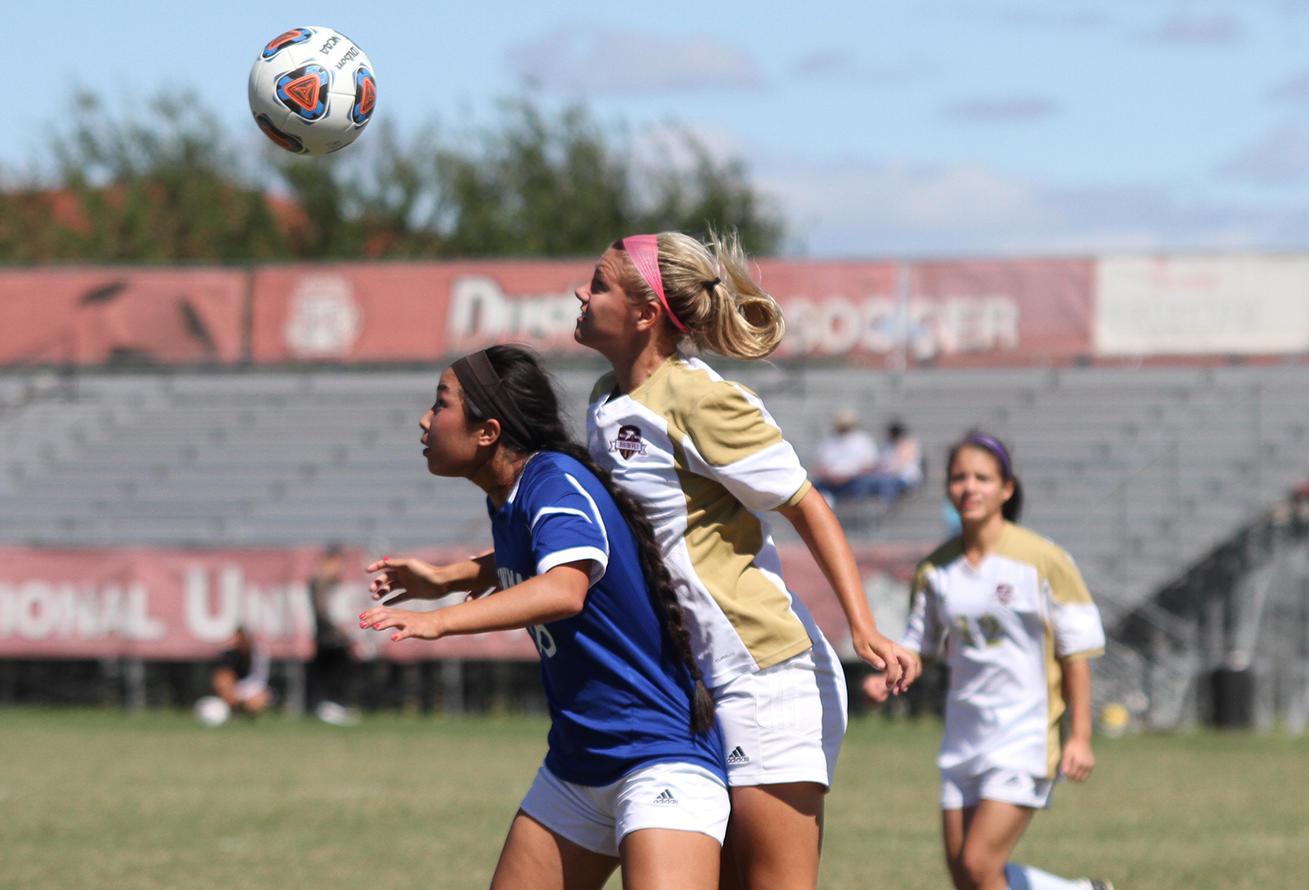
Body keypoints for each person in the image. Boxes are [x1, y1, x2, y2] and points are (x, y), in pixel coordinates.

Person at [573, 232, 919, 889]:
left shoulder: (702, 398)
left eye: (599, 283)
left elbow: (807, 505)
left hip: (765, 678)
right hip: (683, 689)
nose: (581, 294)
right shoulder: (603, 400)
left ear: (647, 313)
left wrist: (864, 627)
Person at [360, 345, 727, 890]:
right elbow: (534, 558)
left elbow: (564, 588)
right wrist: (450, 578)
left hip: (658, 759)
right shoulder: (511, 493)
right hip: (577, 766)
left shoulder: (551, 479)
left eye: (440, 405)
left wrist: (440, 621)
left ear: (488, 432)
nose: (425, 419)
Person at [863, 432, 1111, 890]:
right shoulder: (935, 569)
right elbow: (920, 645)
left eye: (982, 477)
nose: (969, 487)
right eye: (959, 477)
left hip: (1024, 734)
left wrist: (1080, 735)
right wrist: (890, 674)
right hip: (964, 734)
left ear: (1006, 488)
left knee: (979, 864)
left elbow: (1076, 653)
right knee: (966, 874)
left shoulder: (1044, 560)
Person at [308, 544, 359, 726]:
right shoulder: (320, 582)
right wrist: (337, 627)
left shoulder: (332, 583)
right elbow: (323, 610)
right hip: (328, 637)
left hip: (332, 637)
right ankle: (329, 706)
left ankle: (330, 706)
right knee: (333, 671)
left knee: (336, 671)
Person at [813, 409, 879, 503]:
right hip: (830, 481)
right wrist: (832, 477)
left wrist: (847, 476)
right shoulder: (829, 442)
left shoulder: (863, 441)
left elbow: (869, 466)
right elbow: (820, 466)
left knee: (864, 483)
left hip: (854, 480)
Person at [212, 627, 275, 718]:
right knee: (222, 678)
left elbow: (259, 679)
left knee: (255, 702)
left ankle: (245, 714)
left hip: (253, 688)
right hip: (236, 688)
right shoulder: (231, 654)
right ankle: (230, 712)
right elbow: (223, 673)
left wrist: (239, 692)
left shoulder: (257, 653)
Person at [874, 420, 924, 504]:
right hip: (889, 475)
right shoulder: (888, 445)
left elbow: (901, 464)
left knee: (889, 483)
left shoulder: (909, 443)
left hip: (906, 476)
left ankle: (889, 502)